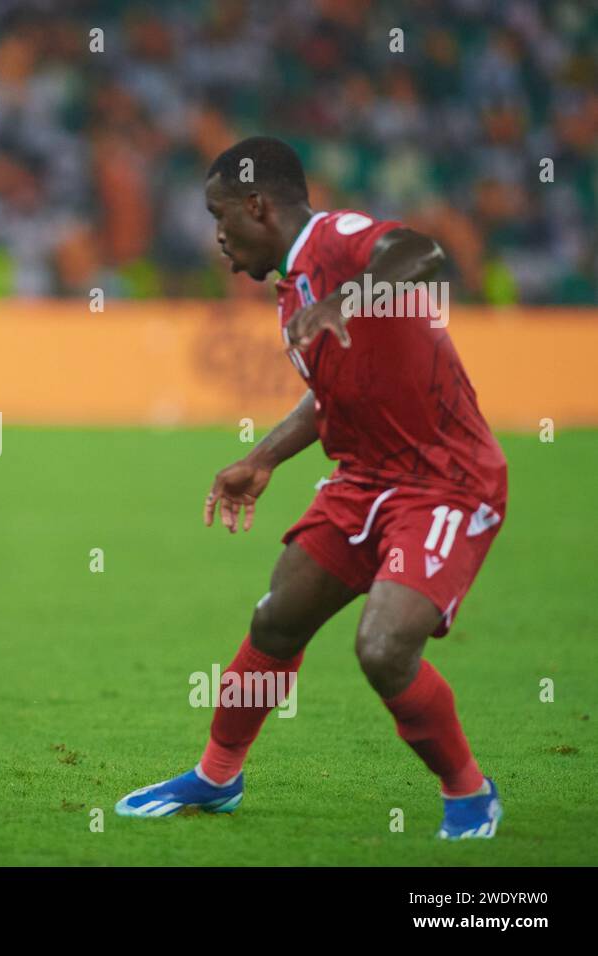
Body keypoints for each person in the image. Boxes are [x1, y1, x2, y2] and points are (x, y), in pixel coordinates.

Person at [116, 137, 507, 839]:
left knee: (383, 650)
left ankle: (470, 791)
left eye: (219, 215)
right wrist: (263, 458)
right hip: (365, 478)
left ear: (257, 206)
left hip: (445, 482)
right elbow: (331, 395)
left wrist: (346, 300)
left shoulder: (338, 240)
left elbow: (424, 252)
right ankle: (216, 777)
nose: (216, 236)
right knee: (276, 620)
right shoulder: (291, 288)